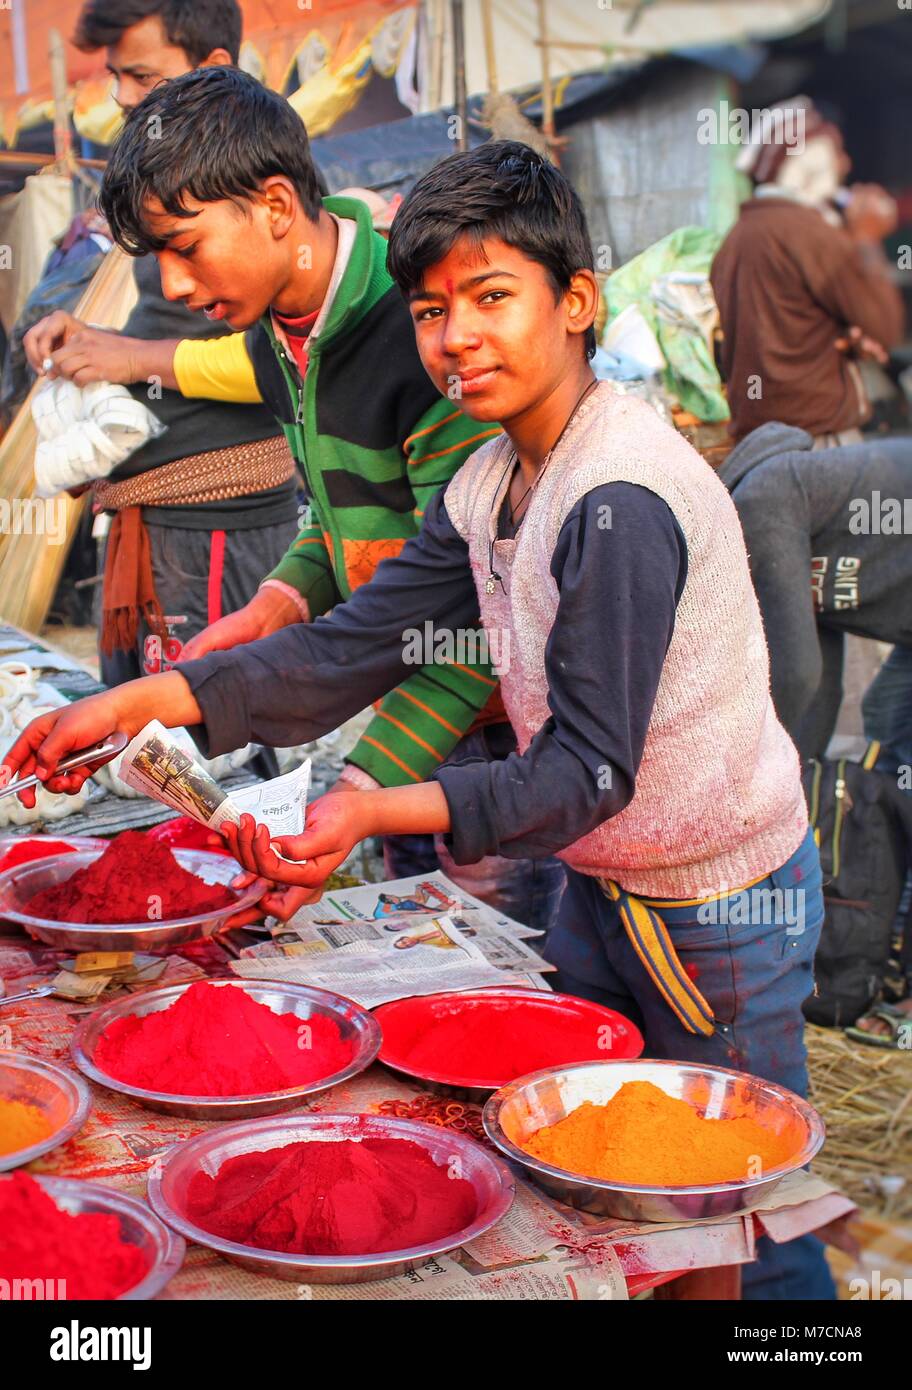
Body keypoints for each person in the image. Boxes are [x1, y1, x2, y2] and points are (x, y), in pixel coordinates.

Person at [4, 141, 835, 1299]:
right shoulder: (490, 479)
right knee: (616, 1173)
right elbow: (358, 641)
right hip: (606, 876)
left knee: (739, 1203)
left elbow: (589, 770)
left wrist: (372, 804)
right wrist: (151, 698)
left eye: (494, 299)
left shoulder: (620, 497)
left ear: (578, 302)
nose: (458, 339)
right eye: (434, 311)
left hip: (718, 897)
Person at [29, 68, 563, 931]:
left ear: (276, 205)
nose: (170, 287)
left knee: (488, 954)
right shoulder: (281, 329)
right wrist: (276, 603)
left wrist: (362, 790)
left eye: (185, 246)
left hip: (493, 721)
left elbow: (474, 610)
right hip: (404, 693)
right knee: (409, 930)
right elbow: (342, 512)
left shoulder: (423, 333)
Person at [24, 0, 299, 693]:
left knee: (206, 743)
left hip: (214, 525)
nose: (120, 96)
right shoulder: (167, 190)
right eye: (113, 75)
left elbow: (284, 360)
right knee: (146, 735)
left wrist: (132, 358)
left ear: (212, 71)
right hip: (157, 520)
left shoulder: (245, 190)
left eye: (140, 75)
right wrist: (97, 342)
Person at [711, 97, 904, 445]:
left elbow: (787, 328)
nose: (846, 164)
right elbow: (887, 327)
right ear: (809, 163)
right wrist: (866, 238)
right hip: (817, 446)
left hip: (758, 445)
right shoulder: (811, 233)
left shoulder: (735, 239)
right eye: (837, 152)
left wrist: (839, 338)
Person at [719, 421, 912, 760]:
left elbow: (797, 674)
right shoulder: (793, 547)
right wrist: (798, 774)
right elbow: (818, 686)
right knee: (886, 716)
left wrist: (752, 767)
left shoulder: (762, 502)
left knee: (893, 731)